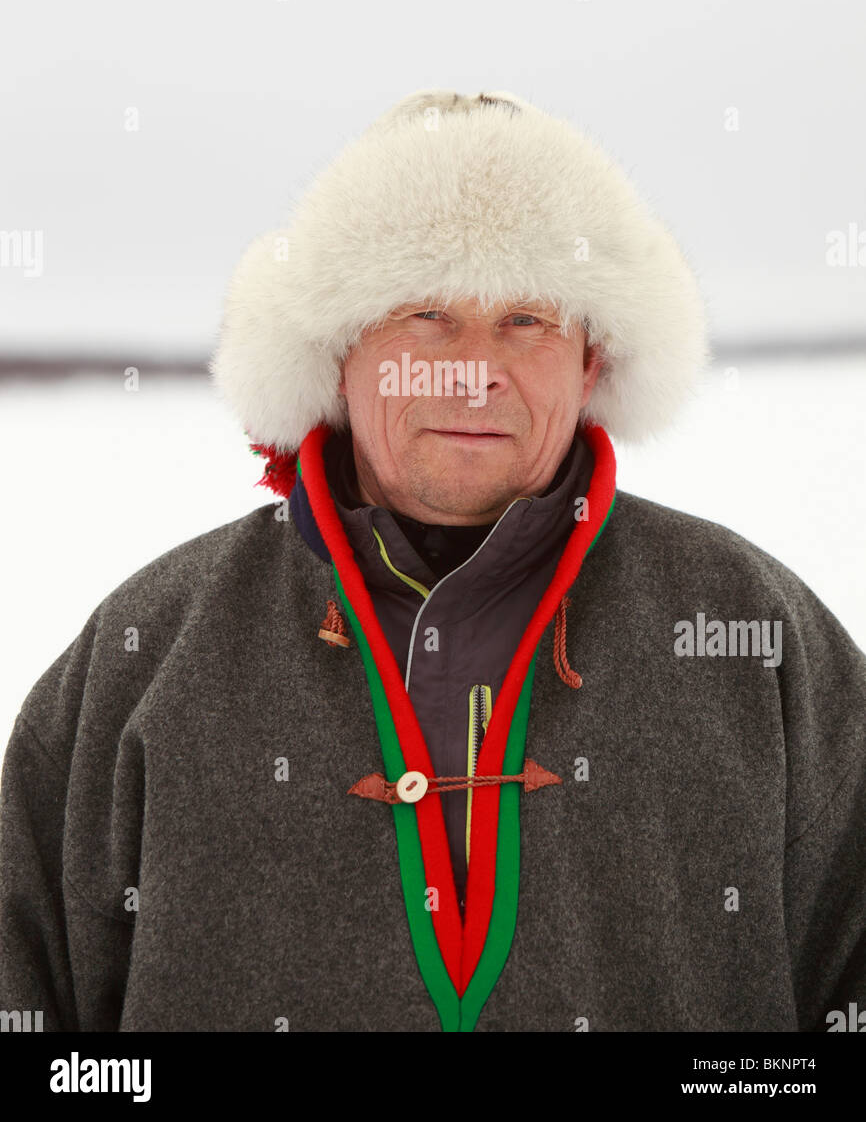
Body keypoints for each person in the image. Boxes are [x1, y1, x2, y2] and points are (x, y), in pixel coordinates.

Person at [1, 89, 864, 1034]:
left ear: (593, 361)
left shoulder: (754, 638)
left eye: (528, 319)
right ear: (336, 353)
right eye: (426, 314)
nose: (472, 371)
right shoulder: (145, 653)